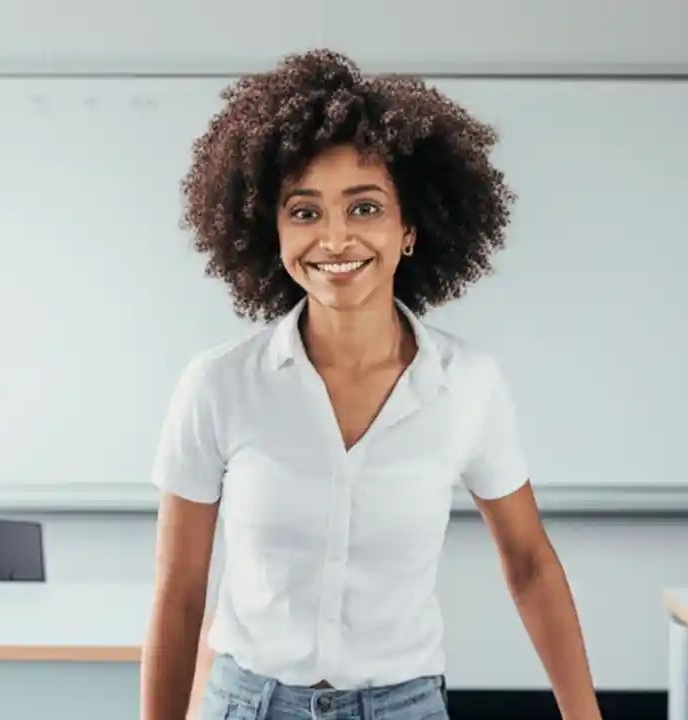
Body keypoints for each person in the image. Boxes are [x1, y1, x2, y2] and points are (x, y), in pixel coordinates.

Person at [140, 49, 601, 720]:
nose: (334, 239)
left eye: (364, 208)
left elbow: (530, 565)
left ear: (409, 229)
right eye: (305, 212)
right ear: (272, 231)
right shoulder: (219, 384)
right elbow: (180, 592)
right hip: (247, 702)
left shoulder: (467, 385)